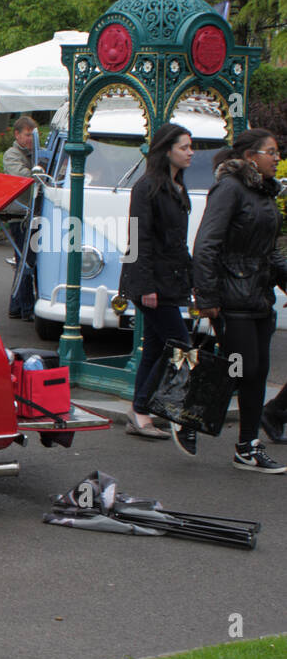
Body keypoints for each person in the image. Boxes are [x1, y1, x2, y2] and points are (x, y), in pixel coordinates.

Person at [193, 127, 287, 471]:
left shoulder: (263, 193)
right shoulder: (229, 189)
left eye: (278, 153)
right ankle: (189, 415)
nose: (277, 159)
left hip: (259, 296)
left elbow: (270, 252)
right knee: (241, 369)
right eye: (271, 152)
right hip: (232, 297)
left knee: (257, 371)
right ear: (250, 157)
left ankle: (247, 447)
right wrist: (207, 296)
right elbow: (206, 244)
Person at [117, 123, 196, 445]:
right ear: (167, 150)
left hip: (170, 279)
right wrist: (146, 285)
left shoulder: (177, 187)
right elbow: (139, 238)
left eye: (191, 147)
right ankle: (149, 407)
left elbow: (177, 242)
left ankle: (140, 413)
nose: (191, 152)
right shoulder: (147, 187)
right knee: (181, 346)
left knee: (155, 347)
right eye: (185, 147)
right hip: (151, 282)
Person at [4, 116, 41, 319]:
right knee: (26, 262)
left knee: (26, 262)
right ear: (17, 135)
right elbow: (24, 178)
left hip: (30, 214)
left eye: (34, 135)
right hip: (19, 215)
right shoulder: (12, 155)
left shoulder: (32, 153)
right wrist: (41, 173)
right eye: (28, 135)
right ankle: (26, 308)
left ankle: (16, 306)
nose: (31, 139)